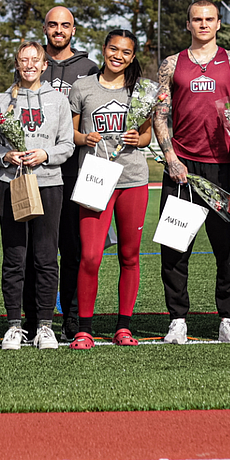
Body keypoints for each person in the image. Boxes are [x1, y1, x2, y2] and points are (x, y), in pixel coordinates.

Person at [152, 0, 230, 344]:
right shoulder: (172, 64)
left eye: (210, 19)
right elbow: (160, 113)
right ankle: (178, 319)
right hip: (183, 168)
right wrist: (170, 157)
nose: (204, 24)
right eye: (197, 19)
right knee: (175, 248)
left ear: (219, 23)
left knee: (228, 250)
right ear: (188, 24)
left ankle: (228, 320)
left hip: (223, 167)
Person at [0, 41, 74, 350]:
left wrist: (45, 154)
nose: (29, 65)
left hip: (48, 185)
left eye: (35, 60)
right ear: (16, 63)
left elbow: (67, 144)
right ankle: (14, 325)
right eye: (23, 60)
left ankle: (45, 326)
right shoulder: (1, 101)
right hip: (12, 184)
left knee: (46, 258)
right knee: (14, 257)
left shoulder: (58, 101)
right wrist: (6, 156)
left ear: (44, 64)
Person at [69, 29, 153, 350]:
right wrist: (84, 138)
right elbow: (71, 134)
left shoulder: (141, 91)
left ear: (132, 57)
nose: (118, 56)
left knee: (129, 255)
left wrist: (137, 139)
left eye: (126, 52)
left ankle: (123, 327)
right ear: (103, 49)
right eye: (113, 49)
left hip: (132, 179)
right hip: (94, 179)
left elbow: (146, 136)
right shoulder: (83, 87)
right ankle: (84, 329)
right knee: (90, 256)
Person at [40, 5, 98, 340]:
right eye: (53, 24)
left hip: (77, 171)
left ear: (73, 30)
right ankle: (37, 317)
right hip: (40, 170)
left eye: (65, 25)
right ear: (45, 28)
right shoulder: (33, 62)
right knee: (39, 248)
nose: (59, 30)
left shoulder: (88, 68)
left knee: (74, 249)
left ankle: (72, 317)